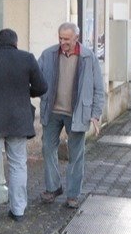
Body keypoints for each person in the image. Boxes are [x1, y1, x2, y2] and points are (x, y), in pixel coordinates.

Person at [0, 28, 48, 222]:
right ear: (16, 42)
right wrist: (25, 93)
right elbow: (42, 87)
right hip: (19, 119)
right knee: (18, 164)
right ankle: (18, 210)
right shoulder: (27, 58)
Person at [37, 22, 105, 210]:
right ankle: (53, 187)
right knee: (47, 147)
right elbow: (35, 77)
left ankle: (73, 195)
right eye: (60, 38)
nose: (62, 42)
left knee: (76, 155)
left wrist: (96, 115)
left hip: (78, 113)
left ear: (76, 38)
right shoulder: (48, 54)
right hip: (52, 111)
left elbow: (98, 88)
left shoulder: (88, 57)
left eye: (66, 39)